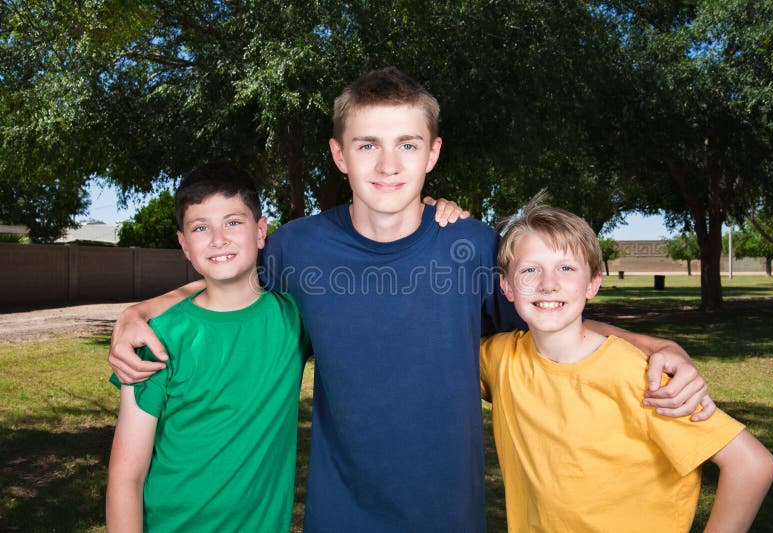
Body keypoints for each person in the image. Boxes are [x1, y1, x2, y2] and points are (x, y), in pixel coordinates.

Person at [108, 68, 714, 532]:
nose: (389, 164)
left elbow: (558, 322)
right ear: (340, 155)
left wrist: (656, 343)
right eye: (368, 145)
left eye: (407, 144)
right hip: (339, 513)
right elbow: (226, 272)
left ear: (433, 153)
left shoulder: (473, 246)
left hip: (448, 512)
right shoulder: (299, 247)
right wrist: (142, 310)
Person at [480, 197, 773, 532]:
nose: (548, 283)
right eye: (530, 269)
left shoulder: (638, 374)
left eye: (566, 268)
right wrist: (430, 209)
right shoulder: (499, 358)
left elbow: (751, 464)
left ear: (593, 283)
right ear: (506, 285)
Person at [105, 162, 311, 532]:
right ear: (184, 244)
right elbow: (126, 477)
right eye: (201, 228)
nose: (218, 239)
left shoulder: (295, 320)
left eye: (233, 222)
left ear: (261, 231)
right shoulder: (156, 339)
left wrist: (424, 211)